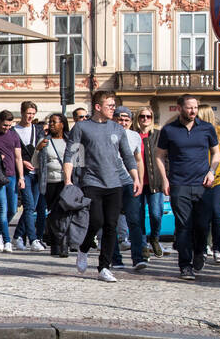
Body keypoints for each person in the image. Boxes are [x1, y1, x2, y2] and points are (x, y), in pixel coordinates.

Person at [63, 90, 140, 281]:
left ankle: (104, 267)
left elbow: (127, 156)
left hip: (115, 182)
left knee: (111, 225)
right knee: (96, 221)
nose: (113, 109)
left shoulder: (117, 129)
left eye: (114, 105)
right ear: (98, 107)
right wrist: (68, 181)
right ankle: (83, 248)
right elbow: (70, 154)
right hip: (91, 181)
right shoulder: (82, 127)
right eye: (110, 105)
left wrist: (135, 178)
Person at [155, 93, 220, 280]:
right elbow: (159, 156)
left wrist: (212, 171)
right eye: (189, 107)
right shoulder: (169, 130)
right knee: (183, 226)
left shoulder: (207, 128)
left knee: (201, 225)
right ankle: (185, 265)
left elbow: (215, 153)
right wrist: (165, 179)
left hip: (203, 184)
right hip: (179, 184)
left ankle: (199, 252)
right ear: (180, 108)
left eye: (195, 107)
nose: (193, 111)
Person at [111, 106, 147, 270]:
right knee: (111, 222)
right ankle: (115, 258)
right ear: (114, 119)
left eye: (126, 120)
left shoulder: (135, 136)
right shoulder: (108, 134)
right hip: (111, 182)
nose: (123, 123)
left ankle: (138, 257)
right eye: (120, 119)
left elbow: (138, 160)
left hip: (129, 182)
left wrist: (138, 179)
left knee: (134, 220)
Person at [33, 113, 71, 256]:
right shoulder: (44, 141)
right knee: (54, 214)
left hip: (65, 181)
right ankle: (55, 244)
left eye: (55, 122)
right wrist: (38, 149)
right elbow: (34, 164)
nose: (51, 124)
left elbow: (79, 161)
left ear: (62, 124)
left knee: (62, 213)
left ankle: (64, 243)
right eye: (50, 122)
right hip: (48, 182)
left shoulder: (70, 141)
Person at [196, 105, 220, 264]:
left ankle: (217, 249)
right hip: (197, 180)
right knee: (202, 218)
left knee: (217, 215)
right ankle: (202, 248)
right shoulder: (194, 132)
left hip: (217, 180)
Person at [13, 101, 46, 251]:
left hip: (38, 173)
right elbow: (13, 154)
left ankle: (18, 236)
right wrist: (24, 162)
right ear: (22, 113)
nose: (30, 117)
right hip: (23, 173)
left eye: (33, 114)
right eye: (28, 113)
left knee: (31, 208)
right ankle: (33, 240)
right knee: (28, 206)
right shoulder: (14, 131)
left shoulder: (38, 129)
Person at [0, 109, 25, 252]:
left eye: (9, 126)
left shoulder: (13, 135)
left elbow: (18, 157)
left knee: (12, 209)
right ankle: (7, 241)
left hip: (11, 175)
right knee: (3, 209)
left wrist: (21, 177)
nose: (7, 128)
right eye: (5, 125)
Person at [135, 106, 166, 259]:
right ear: (138, 118)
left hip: (156, 181)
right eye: (142, 116)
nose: (145, 119)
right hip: (138, 182)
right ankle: (142, 245)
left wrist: (167, 178)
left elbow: (166, 158)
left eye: (148, 116)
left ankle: (154, 238)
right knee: (138, 216)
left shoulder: (159, 136)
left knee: (156, 213)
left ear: (152, 118)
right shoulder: (133, 135)